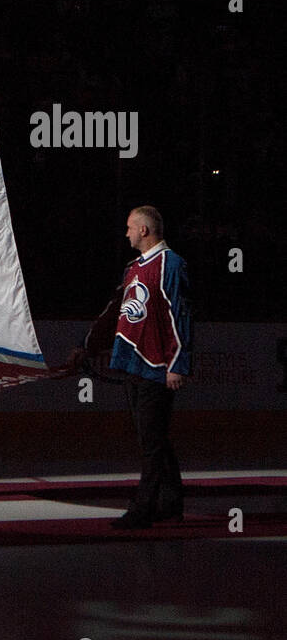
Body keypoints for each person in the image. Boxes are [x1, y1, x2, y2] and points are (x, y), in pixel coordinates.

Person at [87, 205, 192, 529]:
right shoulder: (134, 267)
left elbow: (180, 316)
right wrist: (95, 346)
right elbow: (119, 310)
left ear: (144, 230)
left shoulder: (170, 264)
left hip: (156, 365)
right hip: (134, 362)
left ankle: (144, 506)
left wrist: (178, 364)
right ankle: (171, 501)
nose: (127, 232)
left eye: (131, 227)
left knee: (151, 441)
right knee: (154, 437)